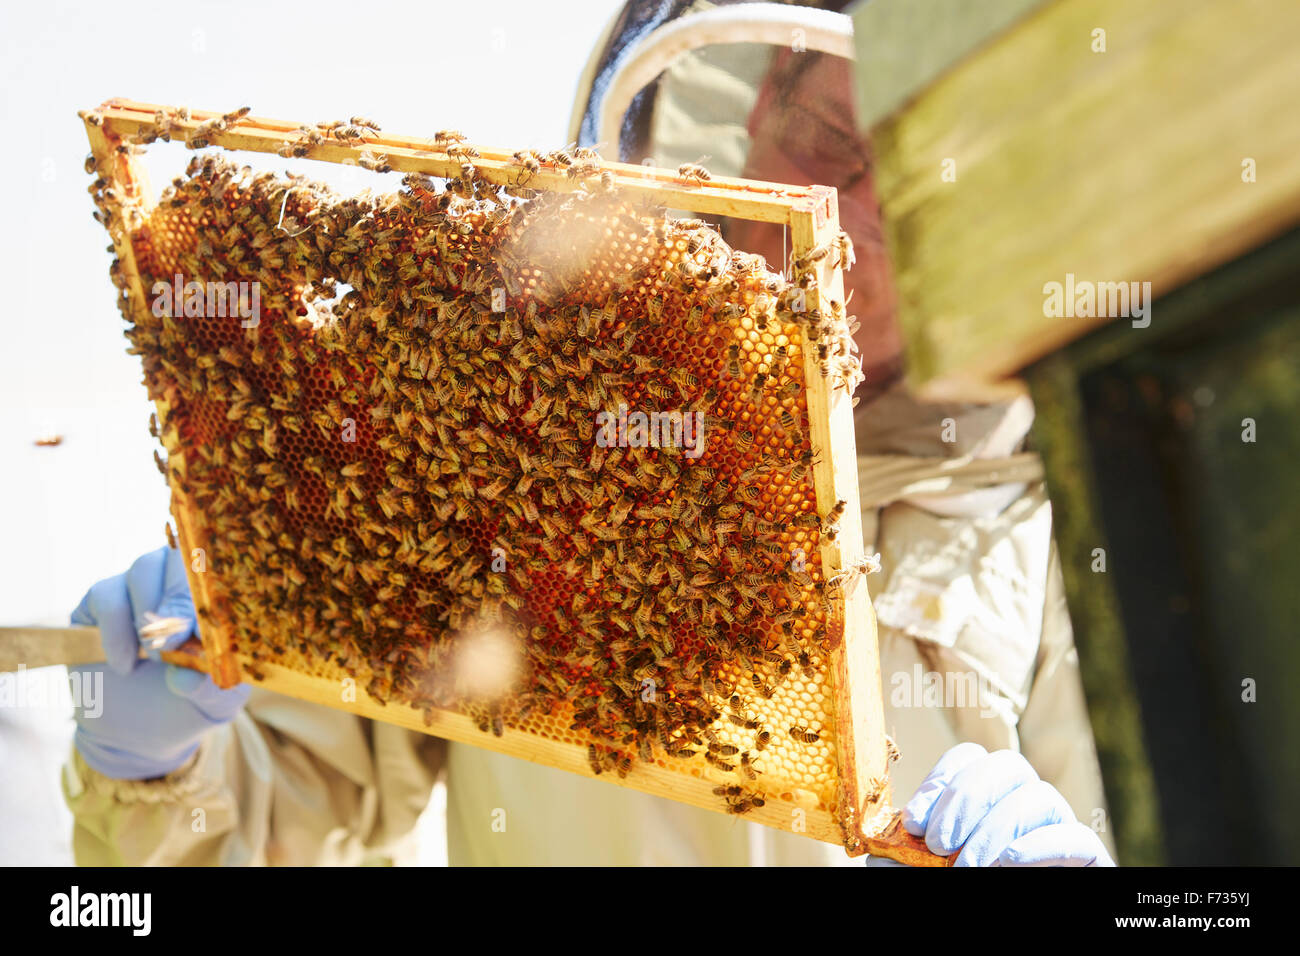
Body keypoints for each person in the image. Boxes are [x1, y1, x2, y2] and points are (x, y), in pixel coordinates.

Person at [61, 0, 1116, 867]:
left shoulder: (1083, 532)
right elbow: (265, 828)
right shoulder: (503, 446)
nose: (833, 218)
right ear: (749, 106)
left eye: (903, 181)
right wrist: (151, 776)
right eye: (826, 142)